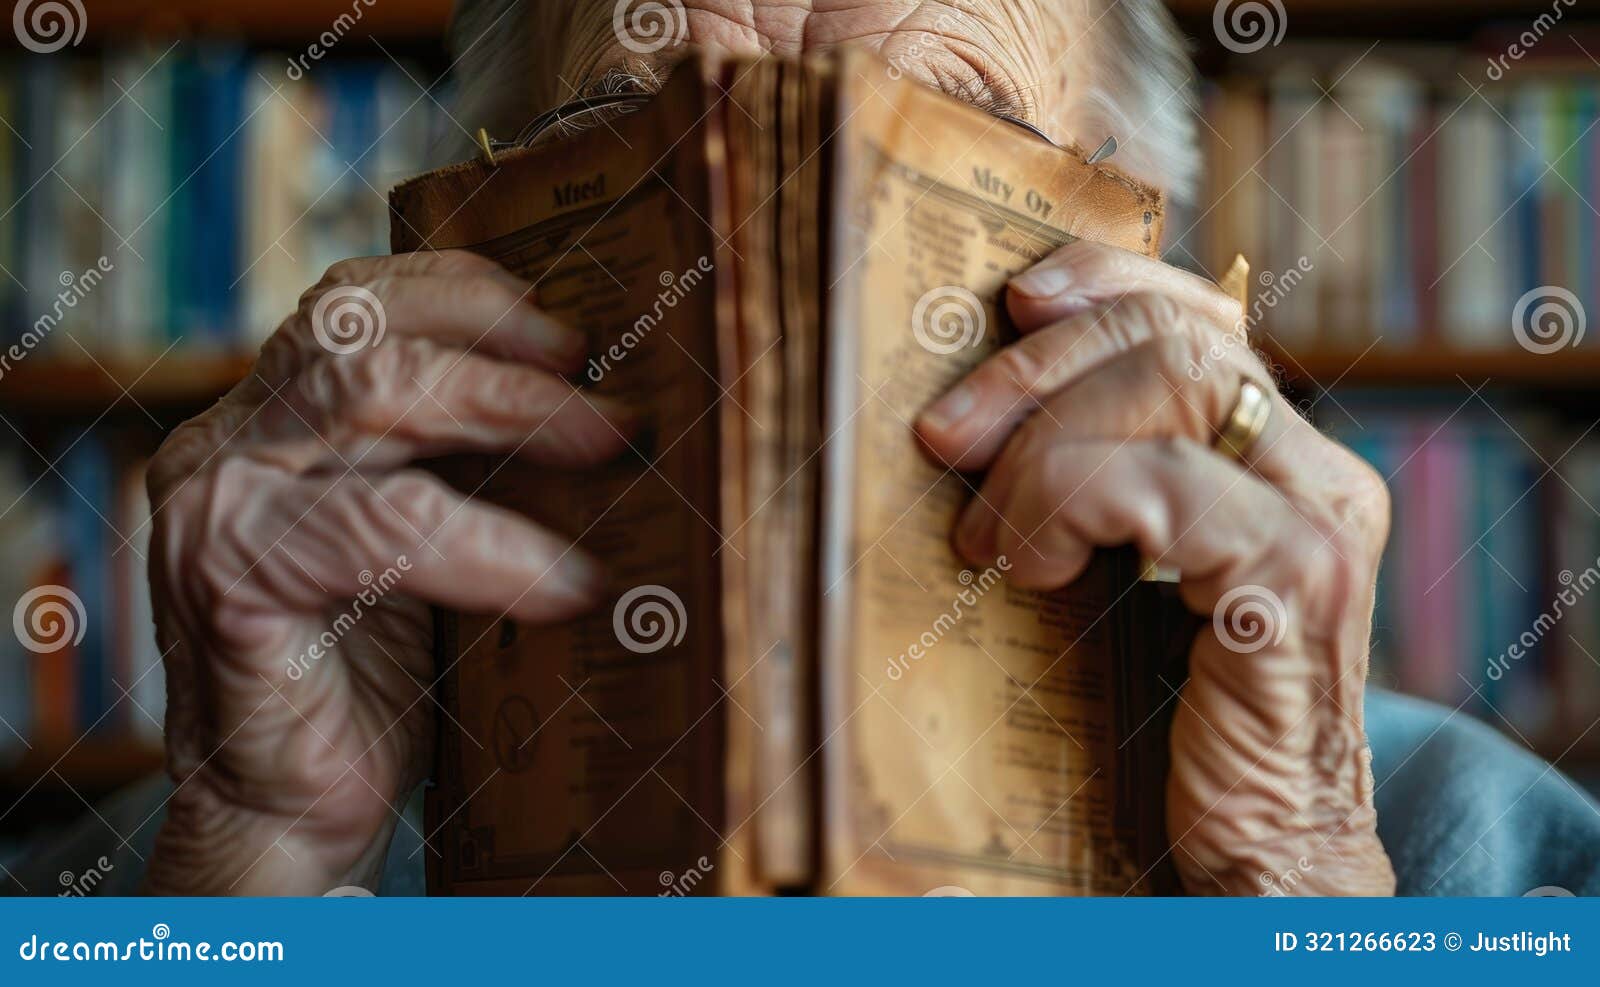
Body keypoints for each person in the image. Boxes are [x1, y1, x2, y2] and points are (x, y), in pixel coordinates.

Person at [36, 0, 1596, 896]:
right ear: (467, 238)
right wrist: (254, 858)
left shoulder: (1477, 861)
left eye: (937, 132)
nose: (782, 271)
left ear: (1145, 265)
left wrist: (1295, 869)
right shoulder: (145, 884)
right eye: (643, 132)